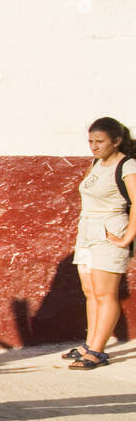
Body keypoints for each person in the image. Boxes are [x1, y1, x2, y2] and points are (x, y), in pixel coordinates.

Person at [66, 117, 136, 369]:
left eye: (100, 142)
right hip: (87, 230)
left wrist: (128, 236)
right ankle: (89, 343)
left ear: (116, 141)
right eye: (90, 141)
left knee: (105, 294)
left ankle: (97, 350)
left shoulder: (127, 165)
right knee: (91, 292)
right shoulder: (96, 163)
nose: (94, 146)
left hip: (109, 229)